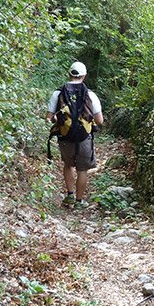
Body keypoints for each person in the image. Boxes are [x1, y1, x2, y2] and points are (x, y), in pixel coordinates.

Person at [46, 61, 104, 209]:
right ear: (84, 76)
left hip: (65, 136)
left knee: (68, 165)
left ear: (69, 74)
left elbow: (48, 117)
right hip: (85, 137)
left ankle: (70, 195)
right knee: (82, 169)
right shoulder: (90, 95)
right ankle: (79, 202)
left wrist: (56, 119)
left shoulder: (58, 93)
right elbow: (100, 120)